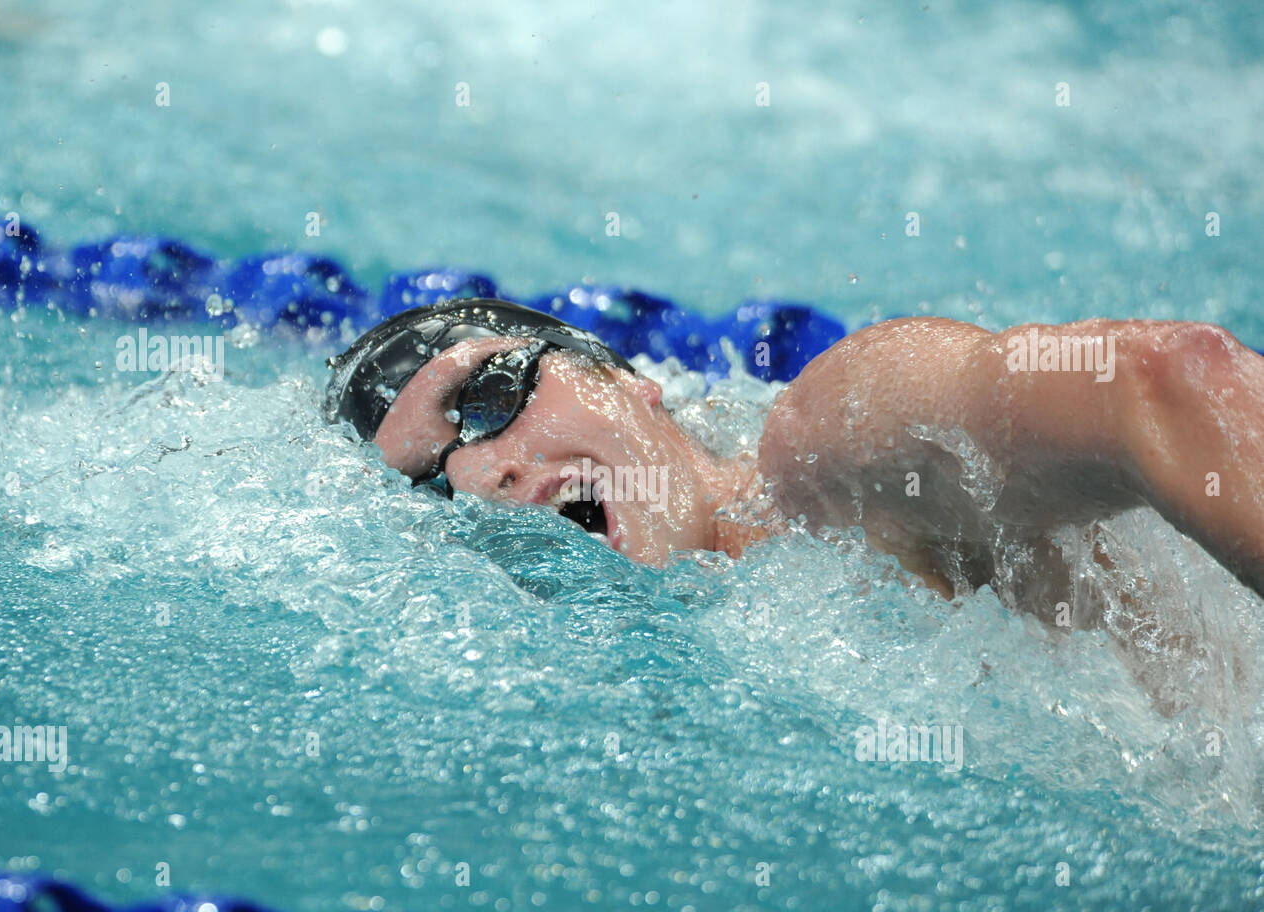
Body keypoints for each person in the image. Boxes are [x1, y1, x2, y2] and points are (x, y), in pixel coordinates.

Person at [324, 298, 1264, 612]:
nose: (484, 476)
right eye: (432, 489)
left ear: (627, 378)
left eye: (487, 398)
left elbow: (1162, 381)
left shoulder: (827, 449)